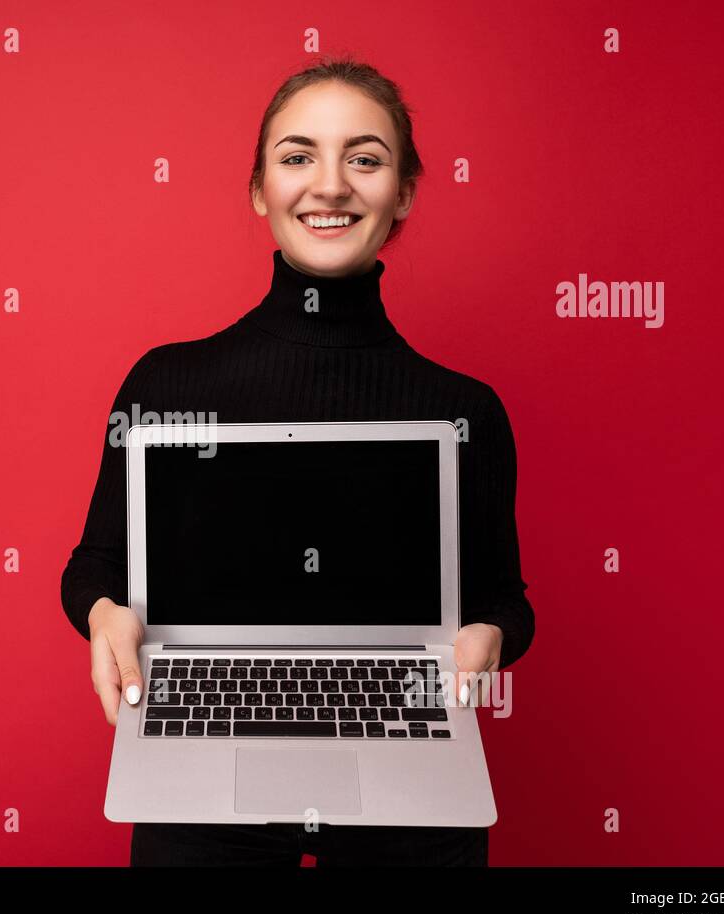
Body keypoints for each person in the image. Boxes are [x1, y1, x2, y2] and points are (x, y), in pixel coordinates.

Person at [60, 57, 535, 866]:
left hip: (402, 729)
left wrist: (491, 636)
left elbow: (504, 599)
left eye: (364, 157)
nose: (330, 186)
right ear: (259, 189)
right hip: (202, 721)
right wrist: (104, 615)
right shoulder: (167, 380)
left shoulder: (467, 410)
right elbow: (94, 566)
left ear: (405, 192)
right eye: (297, 156)